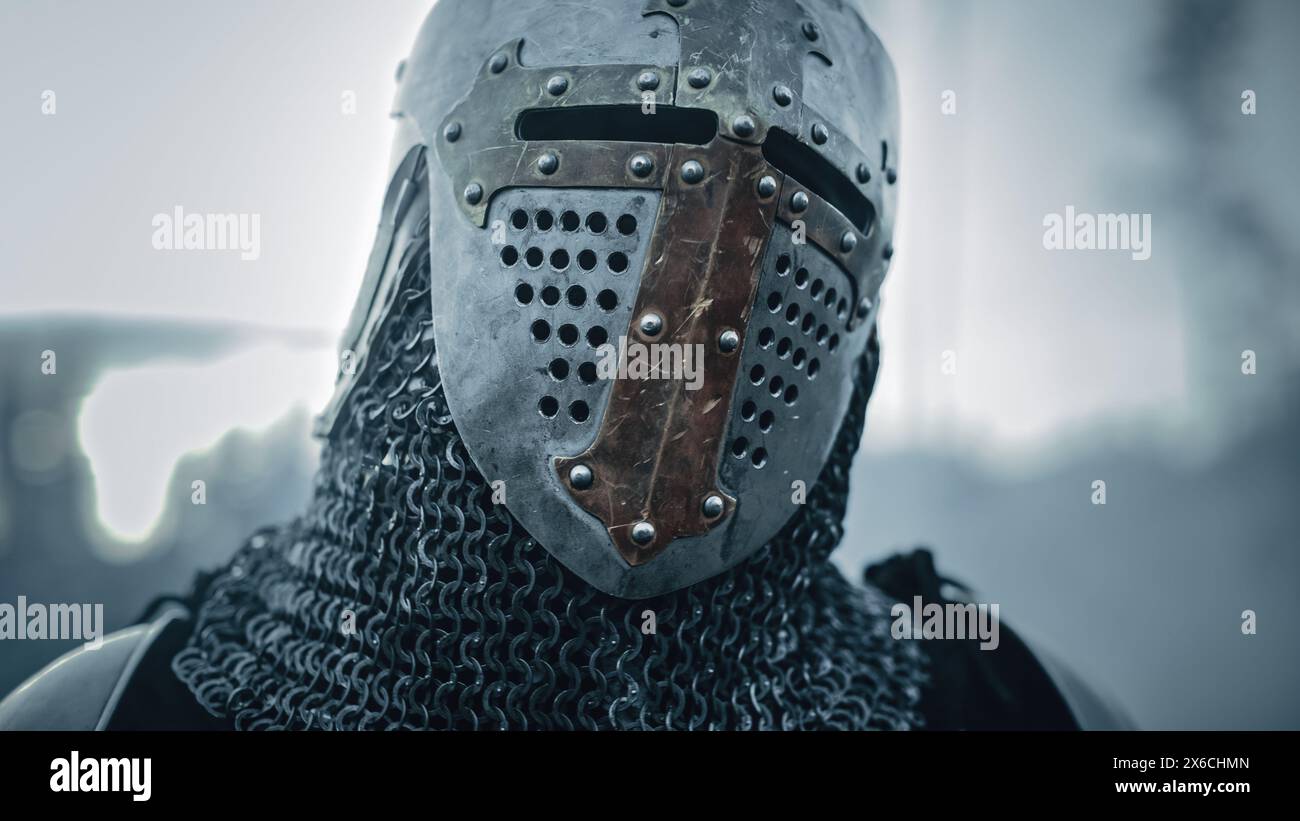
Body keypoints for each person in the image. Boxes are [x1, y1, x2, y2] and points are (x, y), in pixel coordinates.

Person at [0, 0, 1128, 731]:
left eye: (802, 184)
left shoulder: (1022, 712)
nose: (685, 264)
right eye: (586, 133)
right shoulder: (106, 731)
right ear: (412, 234)